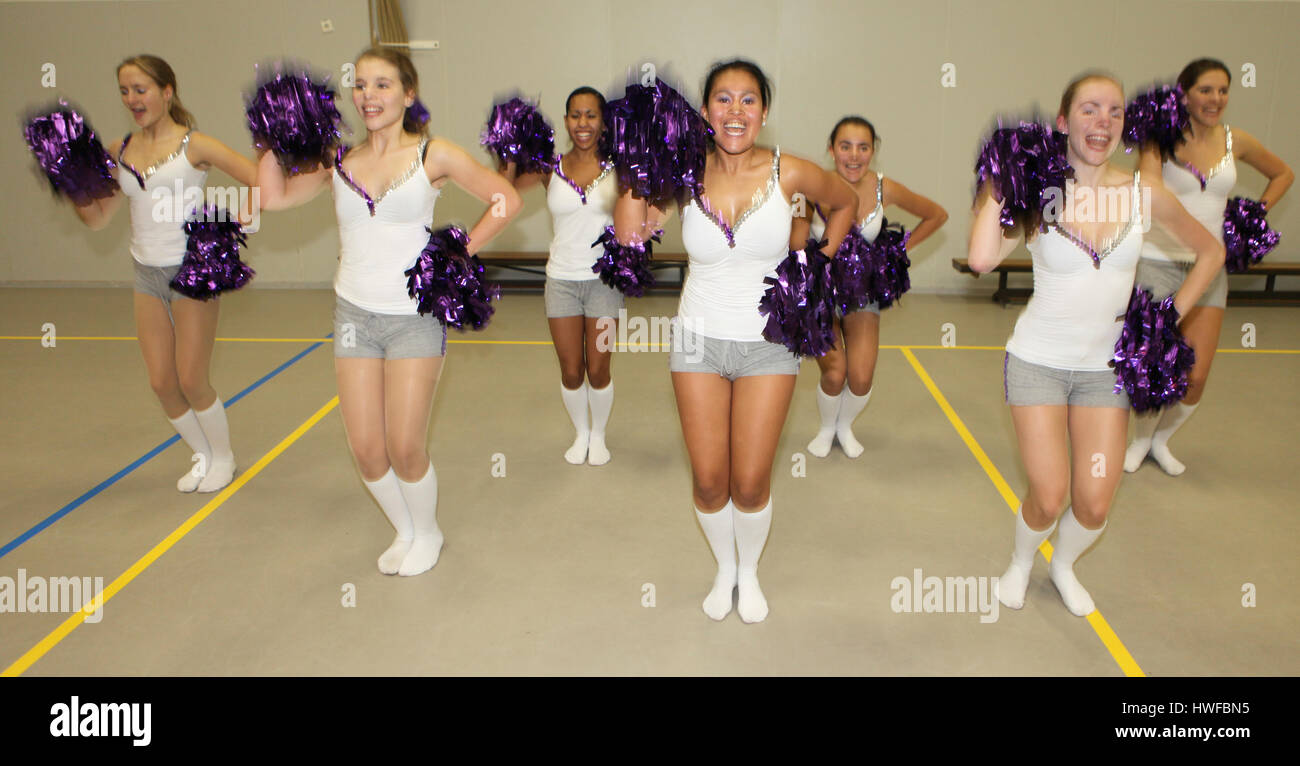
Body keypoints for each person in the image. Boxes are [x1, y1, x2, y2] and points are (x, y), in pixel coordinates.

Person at [256, 47, 521, 575]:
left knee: (404, 445)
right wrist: (269, 132)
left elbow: (505, 200)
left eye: (383, 85)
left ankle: (430, 532)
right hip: (354, 318)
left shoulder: (433, 154)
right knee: (367, 450)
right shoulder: (338, 160)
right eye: (361, 85)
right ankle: (406, 530)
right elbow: (272, 197)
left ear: (408, 93)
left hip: (414, 319)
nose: (369, 96)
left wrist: (458, 251)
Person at [969, 73, 1224, 616]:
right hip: (1037, 362)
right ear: (1064, 121)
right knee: (1049, 494)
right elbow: (982, 259)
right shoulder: (1040, 193)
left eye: (1113, 111)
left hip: (1106, 371)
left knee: (1094, 499)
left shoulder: (1141, 193)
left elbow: (1211, 253)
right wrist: (999, 181)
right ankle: (1019, 562)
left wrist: (1166, 319)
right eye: (1089, 109)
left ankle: (1061, 565)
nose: (1102, 122)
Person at [615, 60, 857, 622]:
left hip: (769, 344)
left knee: (749, 485)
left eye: (749, 100)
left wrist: (817, 265)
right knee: (707, 480)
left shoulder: (790, 172)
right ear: (704, 112)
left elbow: (844, 202)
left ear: (764, 112)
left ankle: (748, 571)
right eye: (723, 99)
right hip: (697, 342)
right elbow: (629, 235)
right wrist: (635, 161)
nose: (735, 111)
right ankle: (724, 566)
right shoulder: (681, 174)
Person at [72, 54, 257, 494]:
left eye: (141, 89)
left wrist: (232, 223)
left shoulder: (196, 145)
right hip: (145, 273)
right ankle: (203, 455)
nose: (132, 99)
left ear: (167, 91)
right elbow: (97, 218)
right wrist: (73, 184)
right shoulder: (119, 150)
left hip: (190, 272)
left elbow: (257, 180)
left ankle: (224, 458)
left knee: (192, 377)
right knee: (162, 381)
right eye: (124, 91)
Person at [1124, 58, 1293, 476]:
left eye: (1223, 90)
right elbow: (1147, 185)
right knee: (1154, 362)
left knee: (1195, 377)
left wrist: (1254, 213)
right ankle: (1140, 440)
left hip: (1209, 268)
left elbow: (1283, 173)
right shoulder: (1159, 140)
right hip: (1156, 263)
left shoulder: (1237, 140)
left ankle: (1161, 441)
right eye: (1205, 90)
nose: (1215, 99)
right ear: (1183, 94)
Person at [793, 116, 948, 458]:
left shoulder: (884, 187)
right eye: (845, 146)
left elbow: (937, 215)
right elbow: (795, 240)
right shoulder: (812, 187)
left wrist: (896, 251)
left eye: (863, 147)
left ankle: (844, 426)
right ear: (831, 150)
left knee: (860, 378)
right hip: (820, 293)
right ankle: (825, 428)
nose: (854, 155)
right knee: (836, 373)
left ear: (873, 151)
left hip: (862, 293)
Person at [503, 87, 620, 465]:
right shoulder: (547, 166)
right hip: (562, 282)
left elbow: (651, 209)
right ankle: (580, 433)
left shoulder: (620, 167)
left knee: (598, 369)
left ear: (603, 121)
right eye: (575, 115)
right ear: (566, 120)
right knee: (572, 371)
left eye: (591, 115)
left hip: (604, 282)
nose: (582, 123)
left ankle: (599, 434)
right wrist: (504, 150)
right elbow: (503, 192)